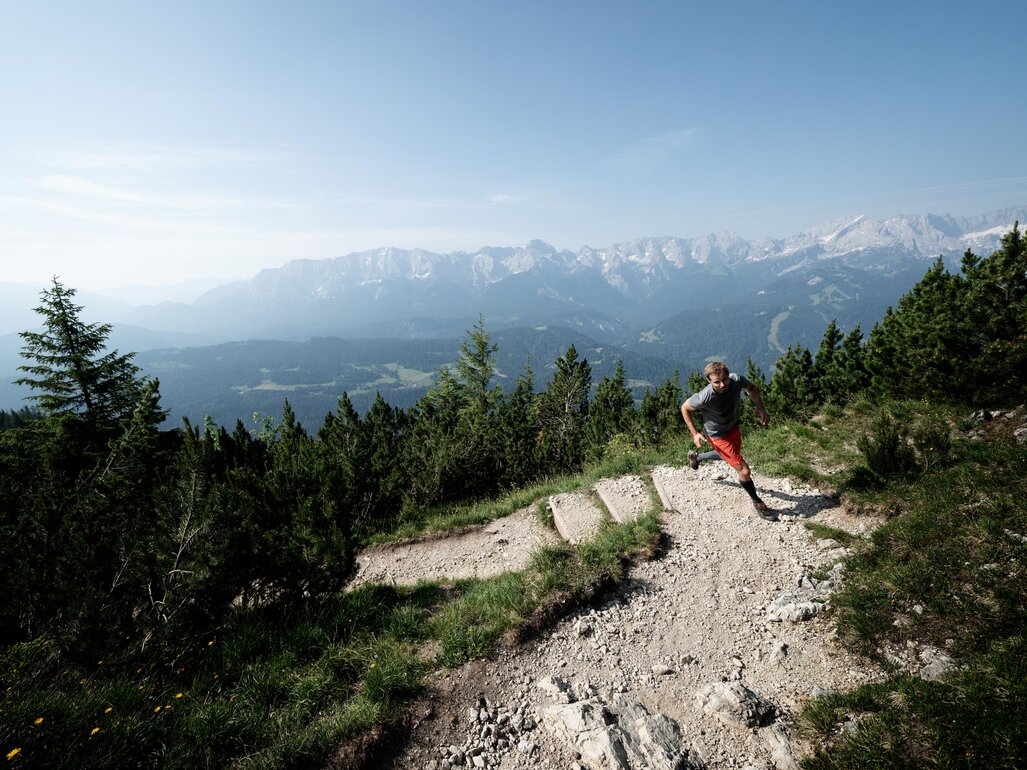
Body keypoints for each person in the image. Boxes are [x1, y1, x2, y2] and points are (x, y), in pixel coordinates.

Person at [680, 361, 777, 521]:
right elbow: (685, 408)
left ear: (728, 375)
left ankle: (697, 458)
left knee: (729, 456)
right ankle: (757, 502)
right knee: (744, 471)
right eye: (716, 382)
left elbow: (751, 388)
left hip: (733, 427)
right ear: (708, 381)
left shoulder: (736, 380)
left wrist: (761, 408)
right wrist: (695, 433)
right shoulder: (705, 396)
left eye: (724, 379)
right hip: (716, 435)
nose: (722, 384)